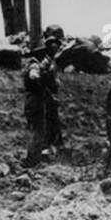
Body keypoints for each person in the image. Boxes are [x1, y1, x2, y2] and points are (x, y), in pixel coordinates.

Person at [23, 24, 65, 166]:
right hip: (36, 99)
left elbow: (54, 82)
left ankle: (42, 157)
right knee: (37, 130)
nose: (55, 48)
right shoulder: (37, 62)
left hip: (46, 100)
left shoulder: (51, 62)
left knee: (49, 129)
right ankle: (31, 162)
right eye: (53, 46)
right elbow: (33, 76)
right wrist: (40, 72)